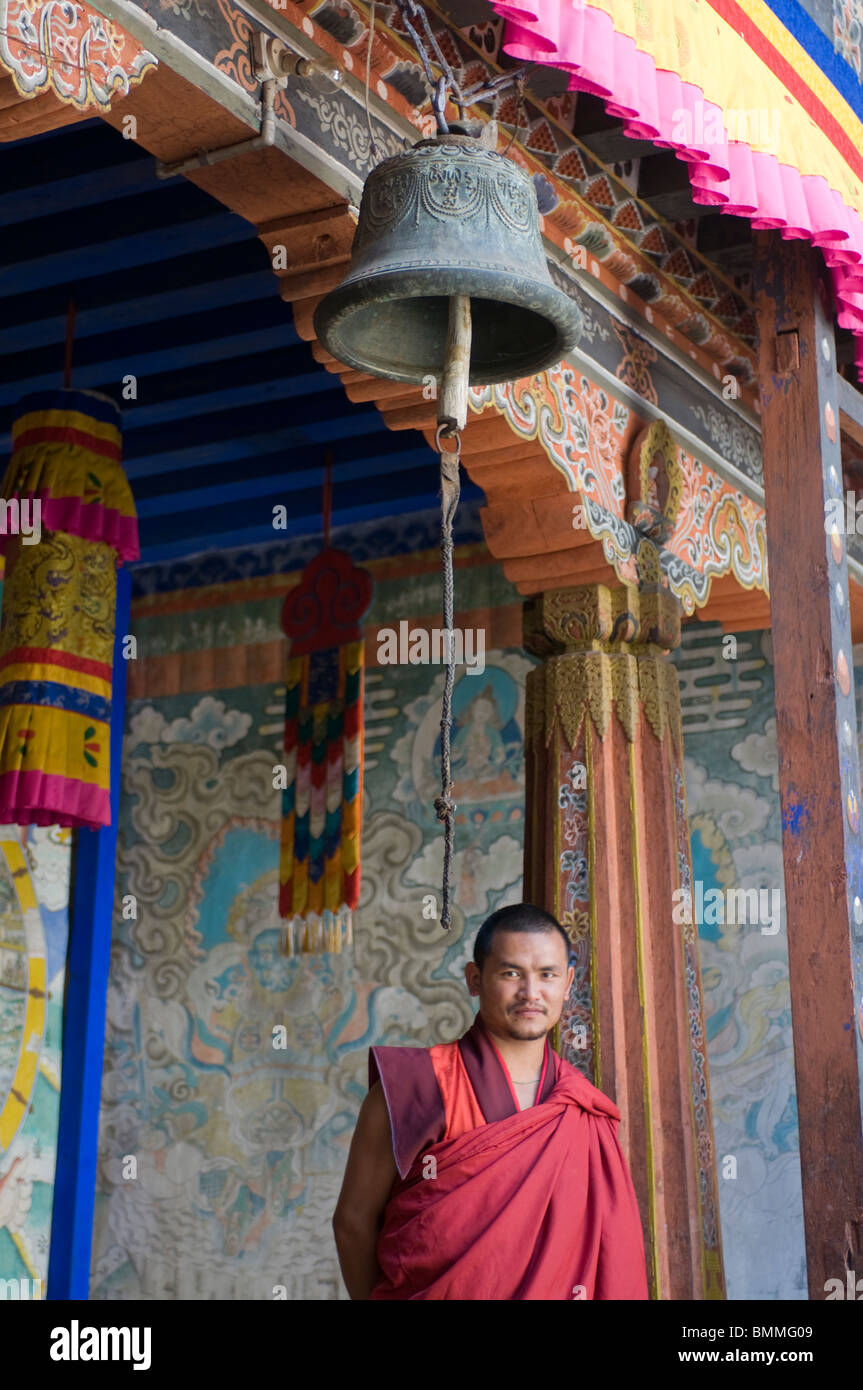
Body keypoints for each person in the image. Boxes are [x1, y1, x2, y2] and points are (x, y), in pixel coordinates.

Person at [332, 902, 649, 1300]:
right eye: (511, 973)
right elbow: (353, 1221)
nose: (530, 993)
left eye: (547, 975)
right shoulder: (415, 1085)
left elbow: (608, 1250)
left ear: (567, 983)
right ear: (475, 978)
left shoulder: (581, 1107)